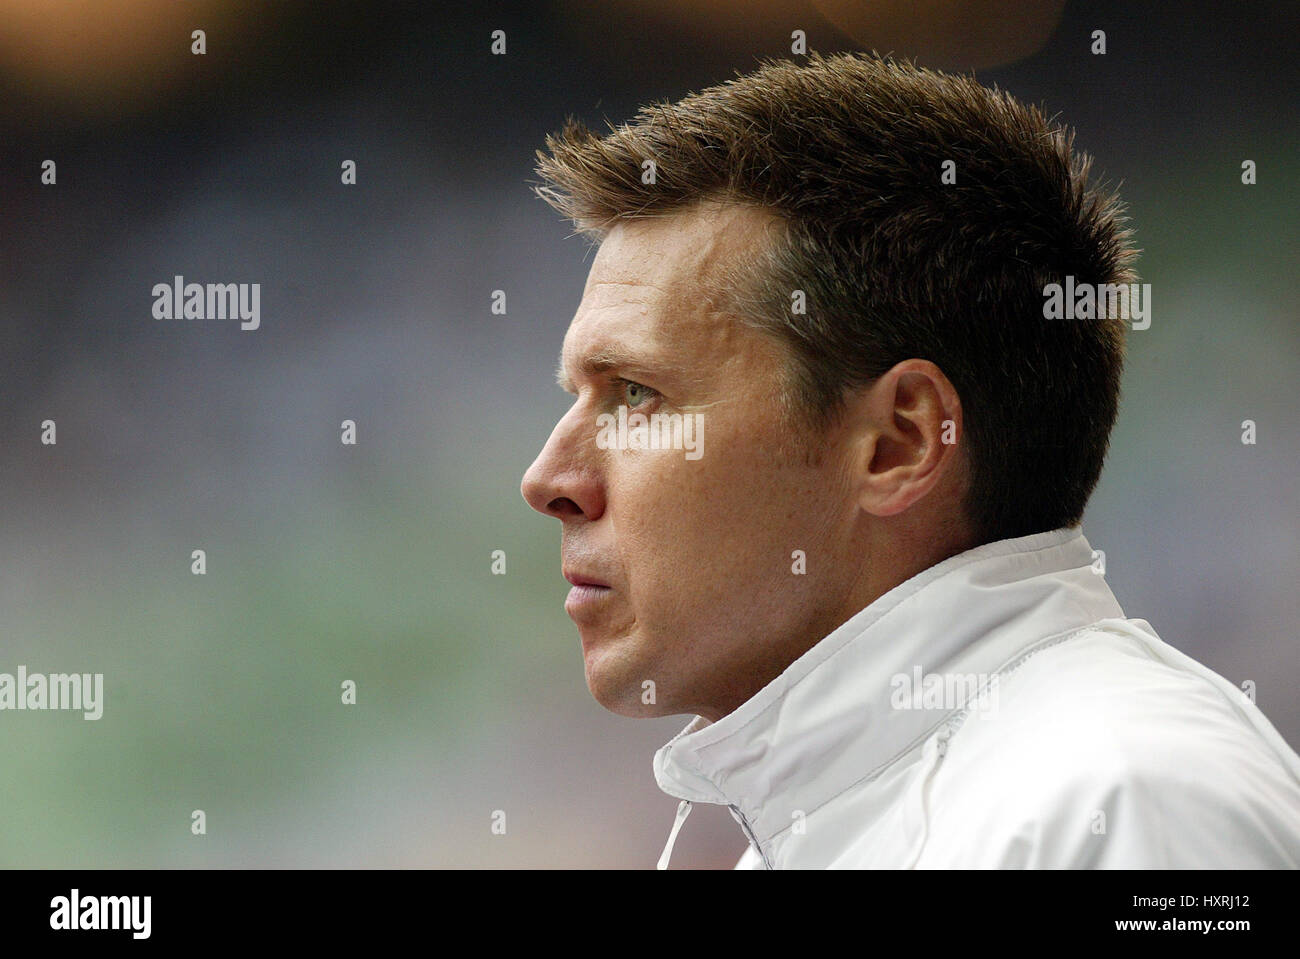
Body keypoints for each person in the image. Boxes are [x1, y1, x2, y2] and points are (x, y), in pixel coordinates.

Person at [520, 52, 1300, 868]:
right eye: (578, 395)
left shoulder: (1125, 805)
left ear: (900, 442)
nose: (548, 480)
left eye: (636, 394)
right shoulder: (845, 817)